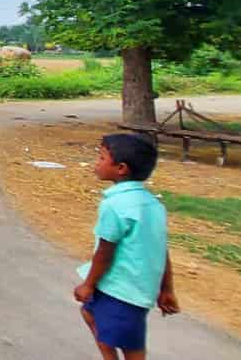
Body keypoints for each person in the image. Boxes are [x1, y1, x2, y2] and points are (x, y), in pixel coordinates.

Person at [74, 133, 179, 359]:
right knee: (89, 313)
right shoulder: (153, 204)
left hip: (122, 290)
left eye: (101, 158)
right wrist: (166, 288)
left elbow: (105, 252)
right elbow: (161, 249)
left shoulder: (114, 205)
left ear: (121, 168)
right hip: (127, 287)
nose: (96, 164)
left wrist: (88, 284)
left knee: (133, 350)